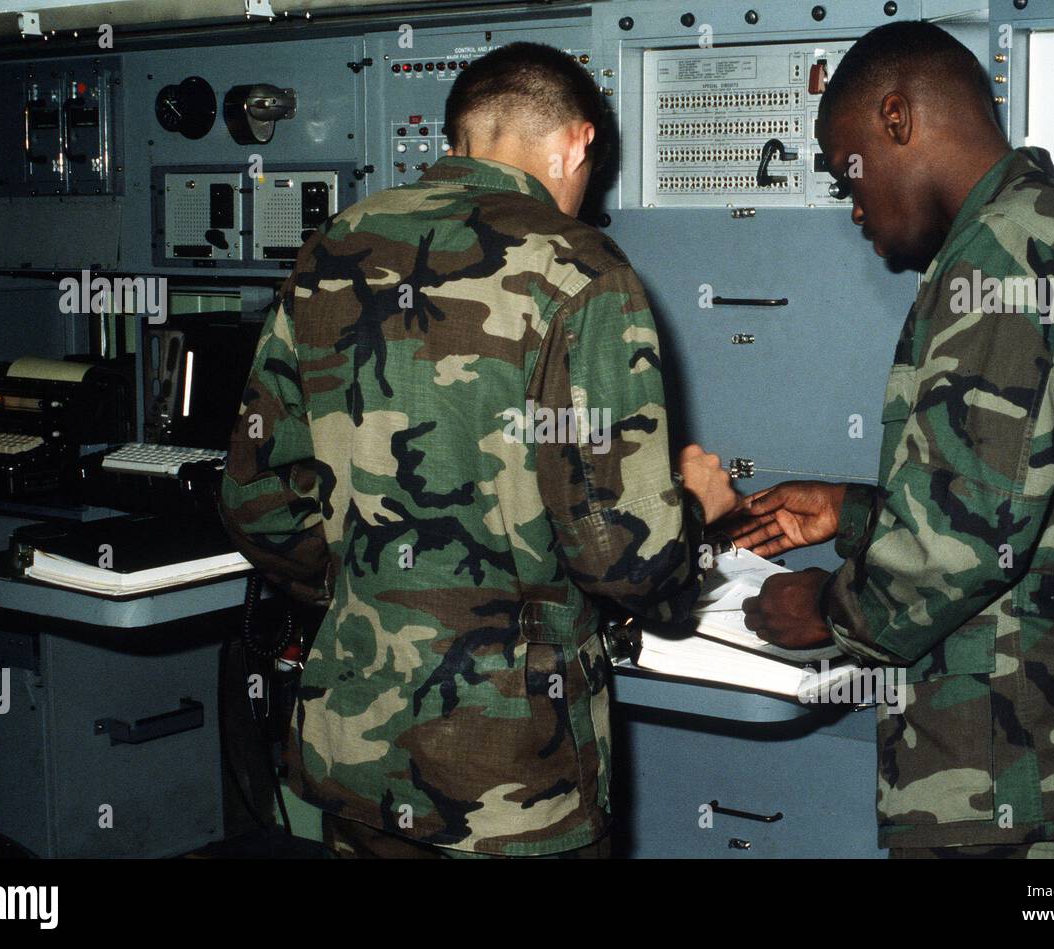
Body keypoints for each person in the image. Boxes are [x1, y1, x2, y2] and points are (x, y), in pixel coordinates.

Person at [220, 41, 738, 858]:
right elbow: (625, 561)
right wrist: (697, 516)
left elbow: (254, 498)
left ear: (455, 141)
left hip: (357, 747)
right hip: (515, 773)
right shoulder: (584, 271)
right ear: (576, 143)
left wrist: (373, 586)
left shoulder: (333, 246)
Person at [734, 21, 1054, 858]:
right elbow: (1031, 513)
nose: (856, 206)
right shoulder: (1049, 230)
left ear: (897, 117)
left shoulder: (1004, 259)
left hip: (1007, 768)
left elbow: (964, 540)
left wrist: (829, 610)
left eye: (849, 174)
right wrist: (858, 511)